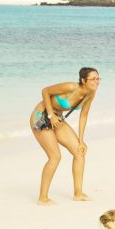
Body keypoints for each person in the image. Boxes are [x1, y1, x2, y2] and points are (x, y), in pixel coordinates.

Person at [30, 67, 100, 204]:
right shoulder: (70, 87)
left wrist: (81, 140)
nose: (97, 81)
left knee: (79, 152)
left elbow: (83, 116)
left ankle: (78, 193)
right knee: (55, 157)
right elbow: (45, 91)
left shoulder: (90, 94)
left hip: (57, 119)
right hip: (41, 117)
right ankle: (43, 198)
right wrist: (50, 115)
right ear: (83, 80)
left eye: (98, 78)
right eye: (93, 79)